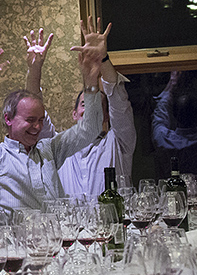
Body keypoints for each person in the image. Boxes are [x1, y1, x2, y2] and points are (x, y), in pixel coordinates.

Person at [0, 31, 104, 210]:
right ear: (8, 119)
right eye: (30, 120)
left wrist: (90, 81)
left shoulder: (49, 149)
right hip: (16, 237)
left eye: (41, 120)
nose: (38, 126)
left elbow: (91, 128)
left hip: (59, 236)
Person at [21, 19, 136, 198]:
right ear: (74, 114)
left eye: (97, 106)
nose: (91, 110)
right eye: (85, 105)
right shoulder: (56, 147)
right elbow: (32, 109)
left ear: (105, 116)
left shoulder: (119, 144)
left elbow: (120, 104)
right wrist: (35, 70)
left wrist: (103, 60)